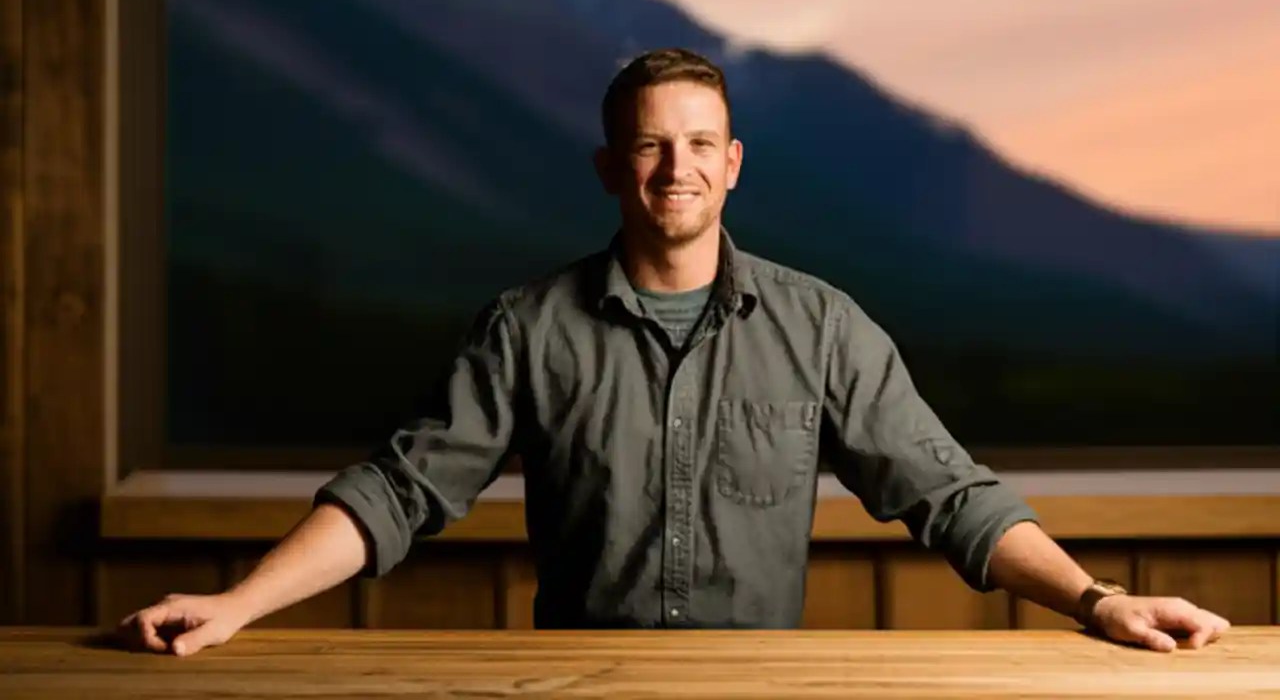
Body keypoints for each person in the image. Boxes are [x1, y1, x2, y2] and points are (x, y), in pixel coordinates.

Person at [120, 48, 1230, 656]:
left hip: (758, 696)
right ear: (610, 168)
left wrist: (1098, 602)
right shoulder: (526, 327)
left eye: (698, 144)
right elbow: (395, 493)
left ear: (734, 163)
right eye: (649, 145)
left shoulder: (821, 326)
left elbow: (952, 497)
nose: (674, 169)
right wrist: (235, 605)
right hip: (575, 690)